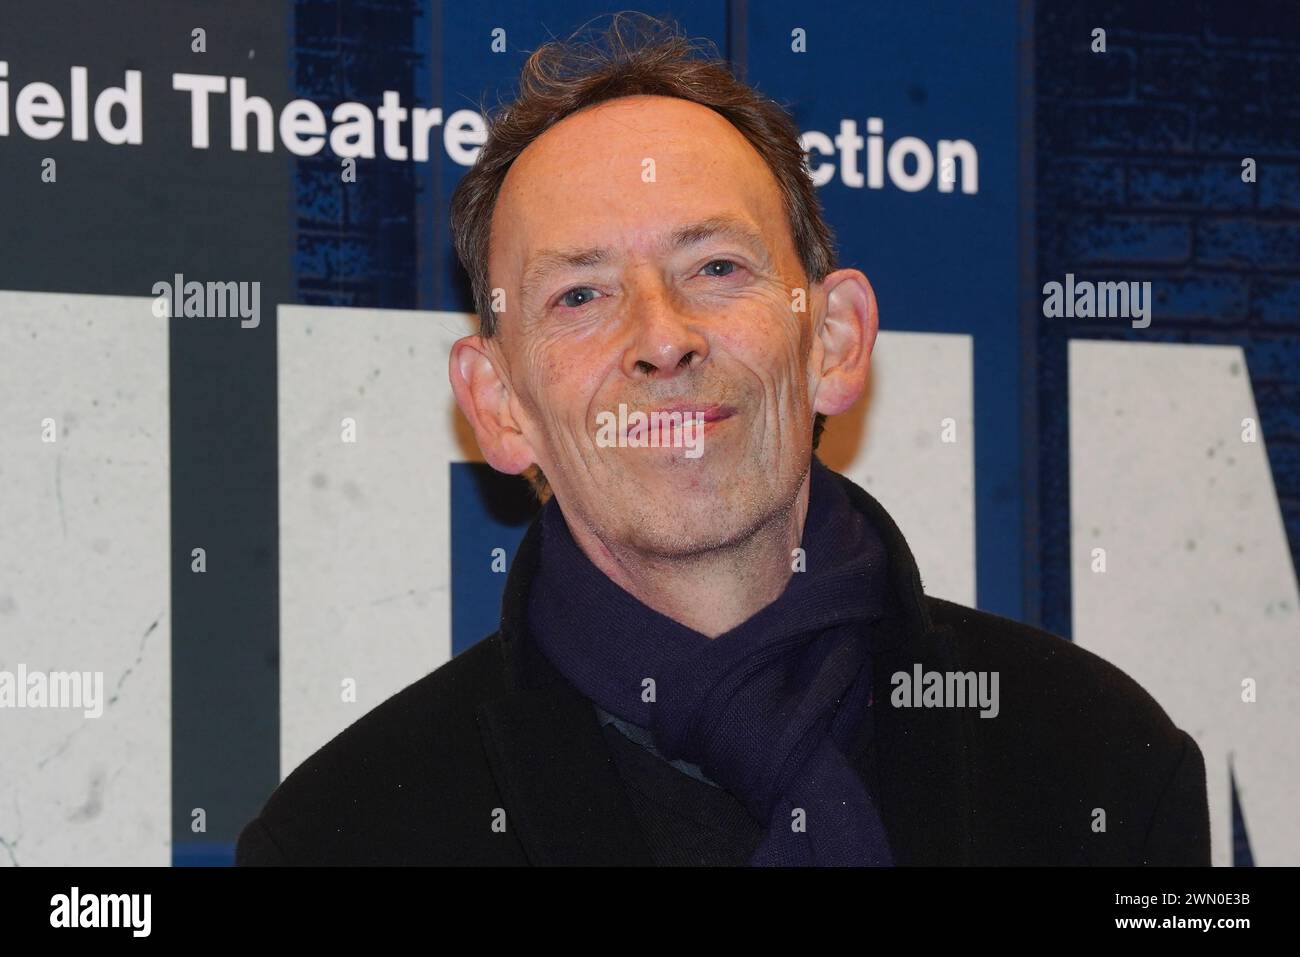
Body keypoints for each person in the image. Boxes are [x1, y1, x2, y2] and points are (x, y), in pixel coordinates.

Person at [236, 13, 1210, 866]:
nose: (661, 337)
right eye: (580, 294)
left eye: (713, 266)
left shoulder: (1099, 763)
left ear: (833, 340)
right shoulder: (344, 836)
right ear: (498, 404)